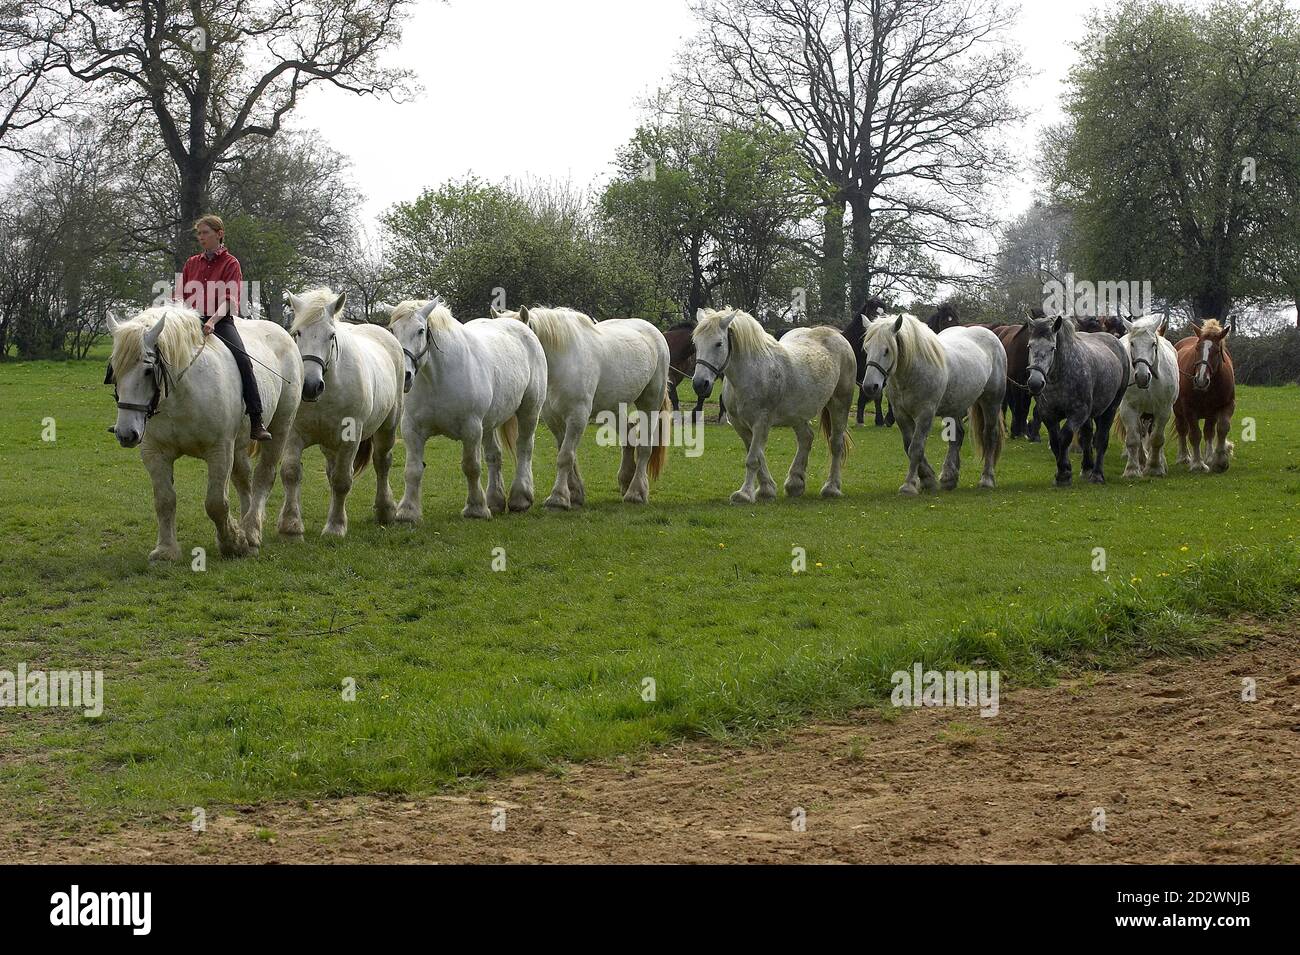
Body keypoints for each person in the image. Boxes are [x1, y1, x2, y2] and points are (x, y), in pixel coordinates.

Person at [178, 215, 272, 441]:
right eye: (199, 234)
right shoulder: (192, 263)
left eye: (205, 233)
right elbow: (180, 296)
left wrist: (212, 321)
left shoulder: (231, 264)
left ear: (219, 233)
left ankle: (256, 419)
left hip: (220, 322)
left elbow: (230, 300)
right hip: (191, 320)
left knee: (242, 359)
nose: (201, 237)